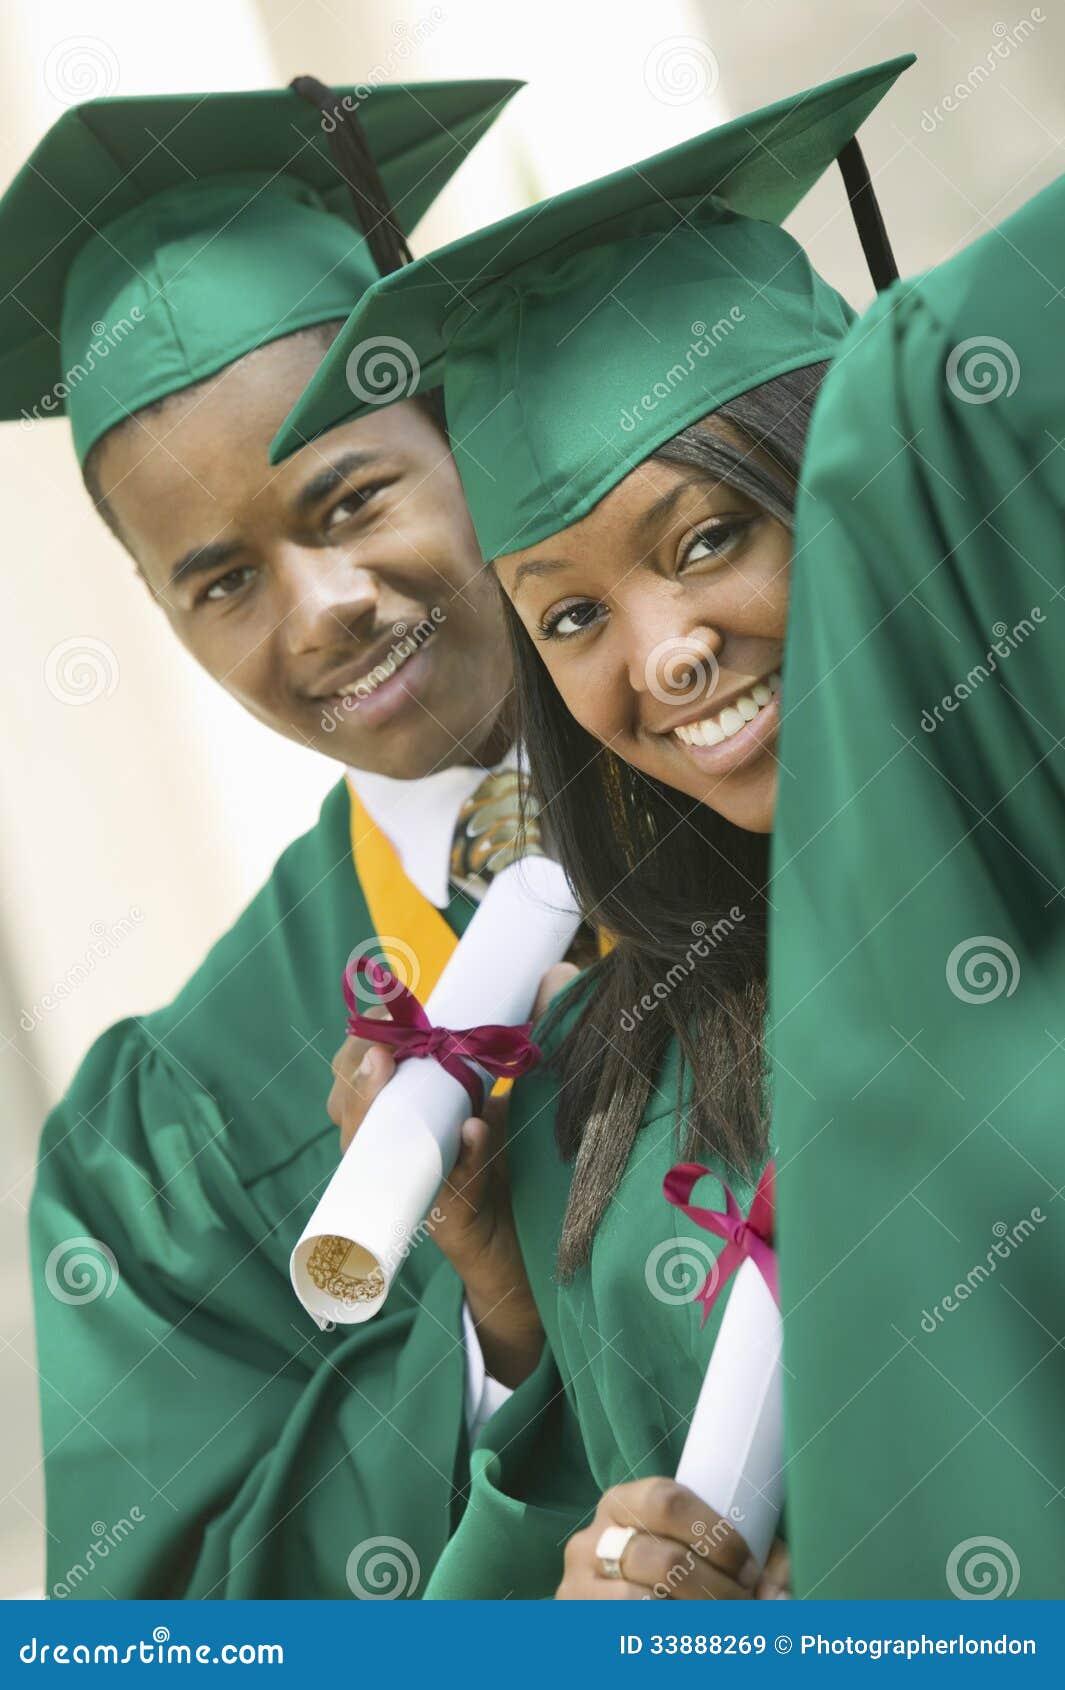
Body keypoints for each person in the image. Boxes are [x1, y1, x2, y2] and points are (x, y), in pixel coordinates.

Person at [274, 56, 914, 1598]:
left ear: (862, 472)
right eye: (568, 613)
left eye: (709, 534)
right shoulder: (641, 1122)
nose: (667, 655)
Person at [0, 76, 568, 1600]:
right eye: (221, 581)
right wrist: (493, 1343)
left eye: (347, 496)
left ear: (455, 416)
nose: (322, 609)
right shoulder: (168, 1131)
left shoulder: (787, 769)